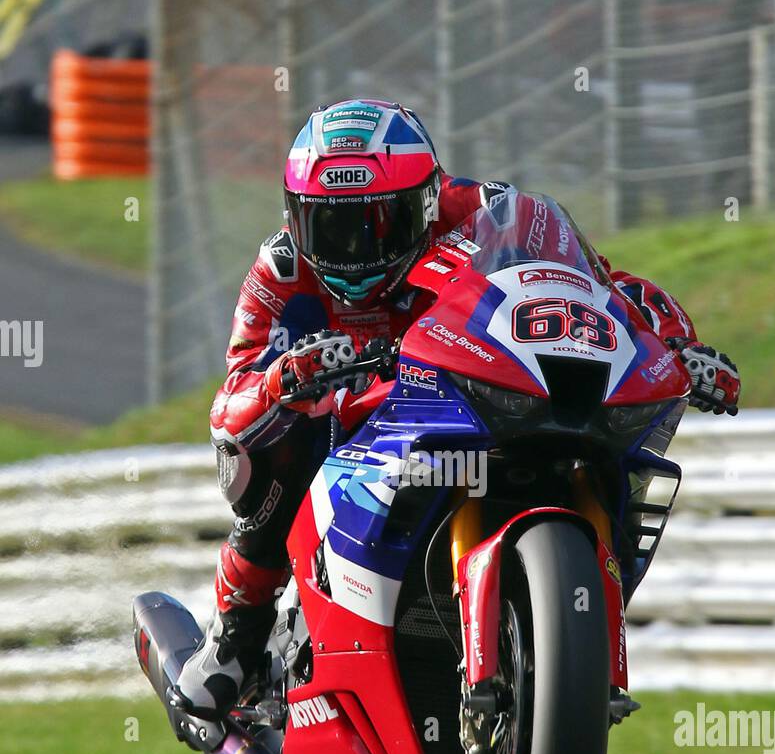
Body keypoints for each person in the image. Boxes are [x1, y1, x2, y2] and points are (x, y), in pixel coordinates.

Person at [177, 98, 740, 717]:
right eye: (327, 227)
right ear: (294, 216)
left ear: (425, 201)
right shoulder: (280, 271)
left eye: (377, 223)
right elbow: (230, 412)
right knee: (271, 449)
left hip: (468, 396)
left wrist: (675, 345)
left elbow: (600, 285)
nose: (352, 251)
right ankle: (236, 637)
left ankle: (561, 654)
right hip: (356, 421)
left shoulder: (486, 214)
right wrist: (287, 378)